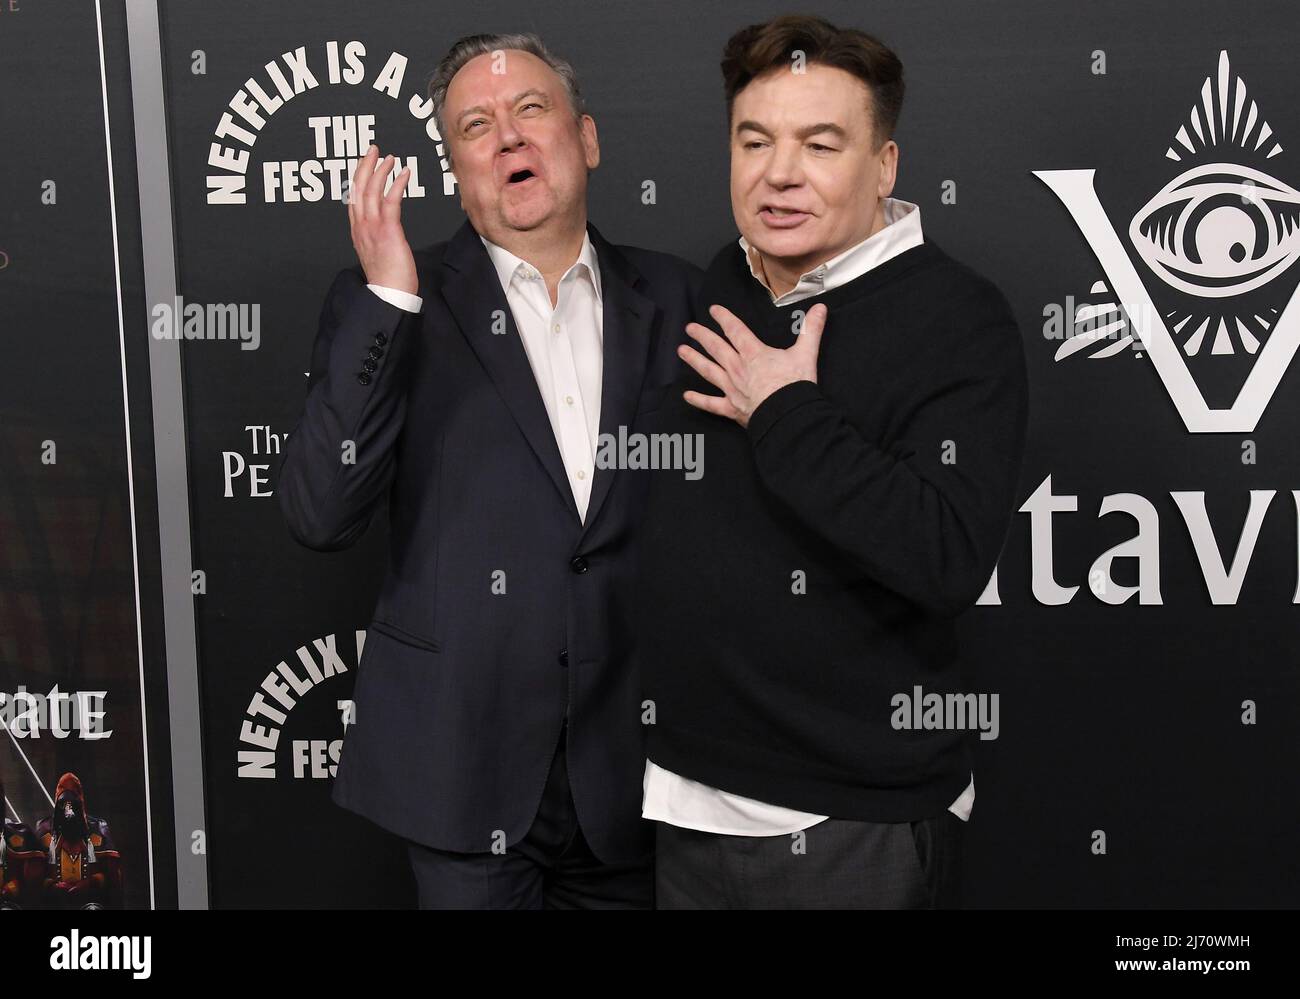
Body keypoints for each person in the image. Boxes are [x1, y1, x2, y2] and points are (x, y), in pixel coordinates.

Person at [277, 32, 699, 909]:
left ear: (586, 139)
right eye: (476, 125)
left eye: (530, 110)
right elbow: (321, 513)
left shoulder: (685, 300)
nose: (507, 137)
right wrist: (389, 297)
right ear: (457, 170)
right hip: (462, 768)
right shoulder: (393, 301)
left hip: (638, 770)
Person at [637, 14, 1029, 908]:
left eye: (821, 144)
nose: (779, 173)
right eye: (754, 140)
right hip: (687, 798)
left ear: (884, 166)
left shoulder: (959, 316)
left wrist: (786, 411)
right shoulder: (721, 282)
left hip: (851, 822)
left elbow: (947, 552)